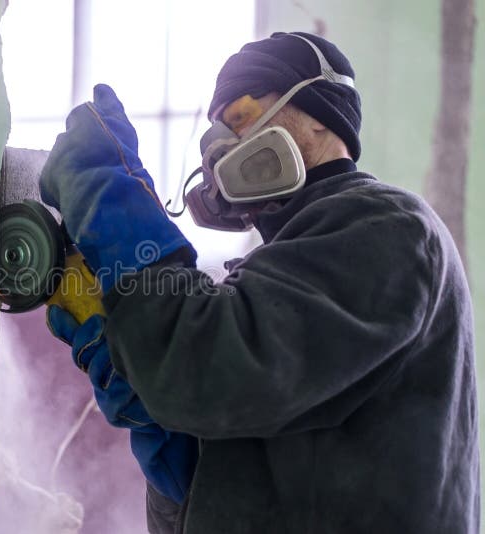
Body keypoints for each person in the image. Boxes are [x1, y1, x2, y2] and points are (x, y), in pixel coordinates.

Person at [40, 31, 479, 533]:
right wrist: (185, 458)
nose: (220, 149)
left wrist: (109, 192)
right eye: (216, 132)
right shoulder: (282, 266)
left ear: (319, 116)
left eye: (241, 118)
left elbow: (204, 371)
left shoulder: (389, 230)